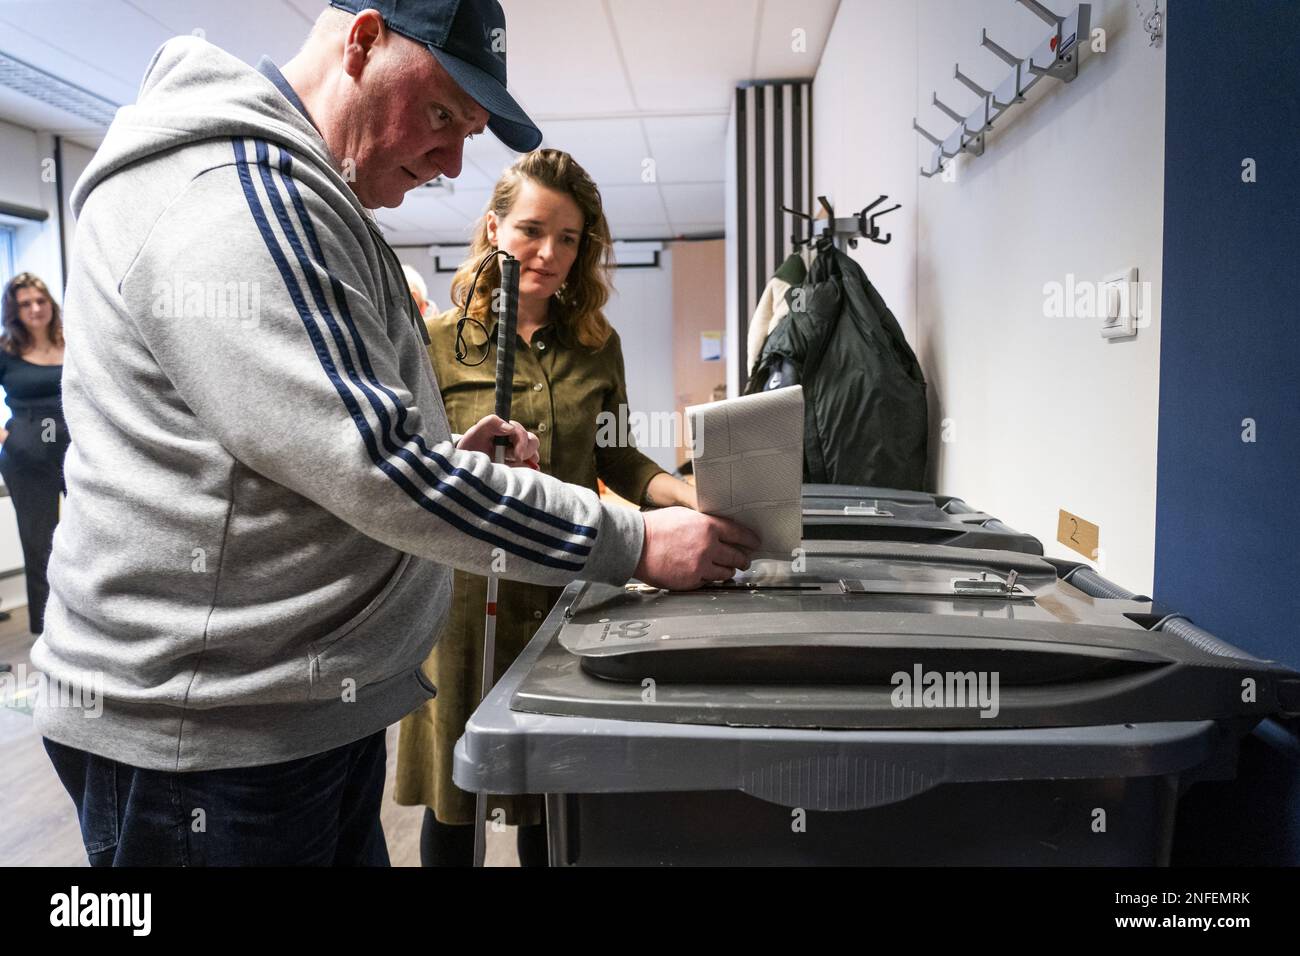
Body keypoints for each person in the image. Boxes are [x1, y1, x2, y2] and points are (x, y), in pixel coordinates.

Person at [33, 0, 758, 866]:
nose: (452, 161)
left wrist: (452, 461)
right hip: (210, 741)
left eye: (469, 129)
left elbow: (315, 446)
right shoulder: (240, 194)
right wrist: (637, 542)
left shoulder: (310, 197)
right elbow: (374, 465)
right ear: (364, 39)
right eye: (442, 112)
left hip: (294, 714)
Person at [396, 148, 696, 866]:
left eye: (570, 239)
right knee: (456, 796)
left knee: (551, 790)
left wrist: (695, 499)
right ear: (494, 229)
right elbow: (412, 466)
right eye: (533, 230)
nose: (551, 253)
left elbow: (618, 459)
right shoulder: (438, 343)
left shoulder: (597, 345)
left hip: (565, 589)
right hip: (465, 596)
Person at [0, 273, 70, 636]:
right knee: (39, 541)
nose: (36, 308)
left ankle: (90, 623)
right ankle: (48, 632)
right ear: (14, 311)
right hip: (26, 455)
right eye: (26, 303)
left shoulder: (71, 340)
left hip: (77, 450)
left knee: (90, 535)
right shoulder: (6, 350)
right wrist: (6, 435)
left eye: (40, 300)